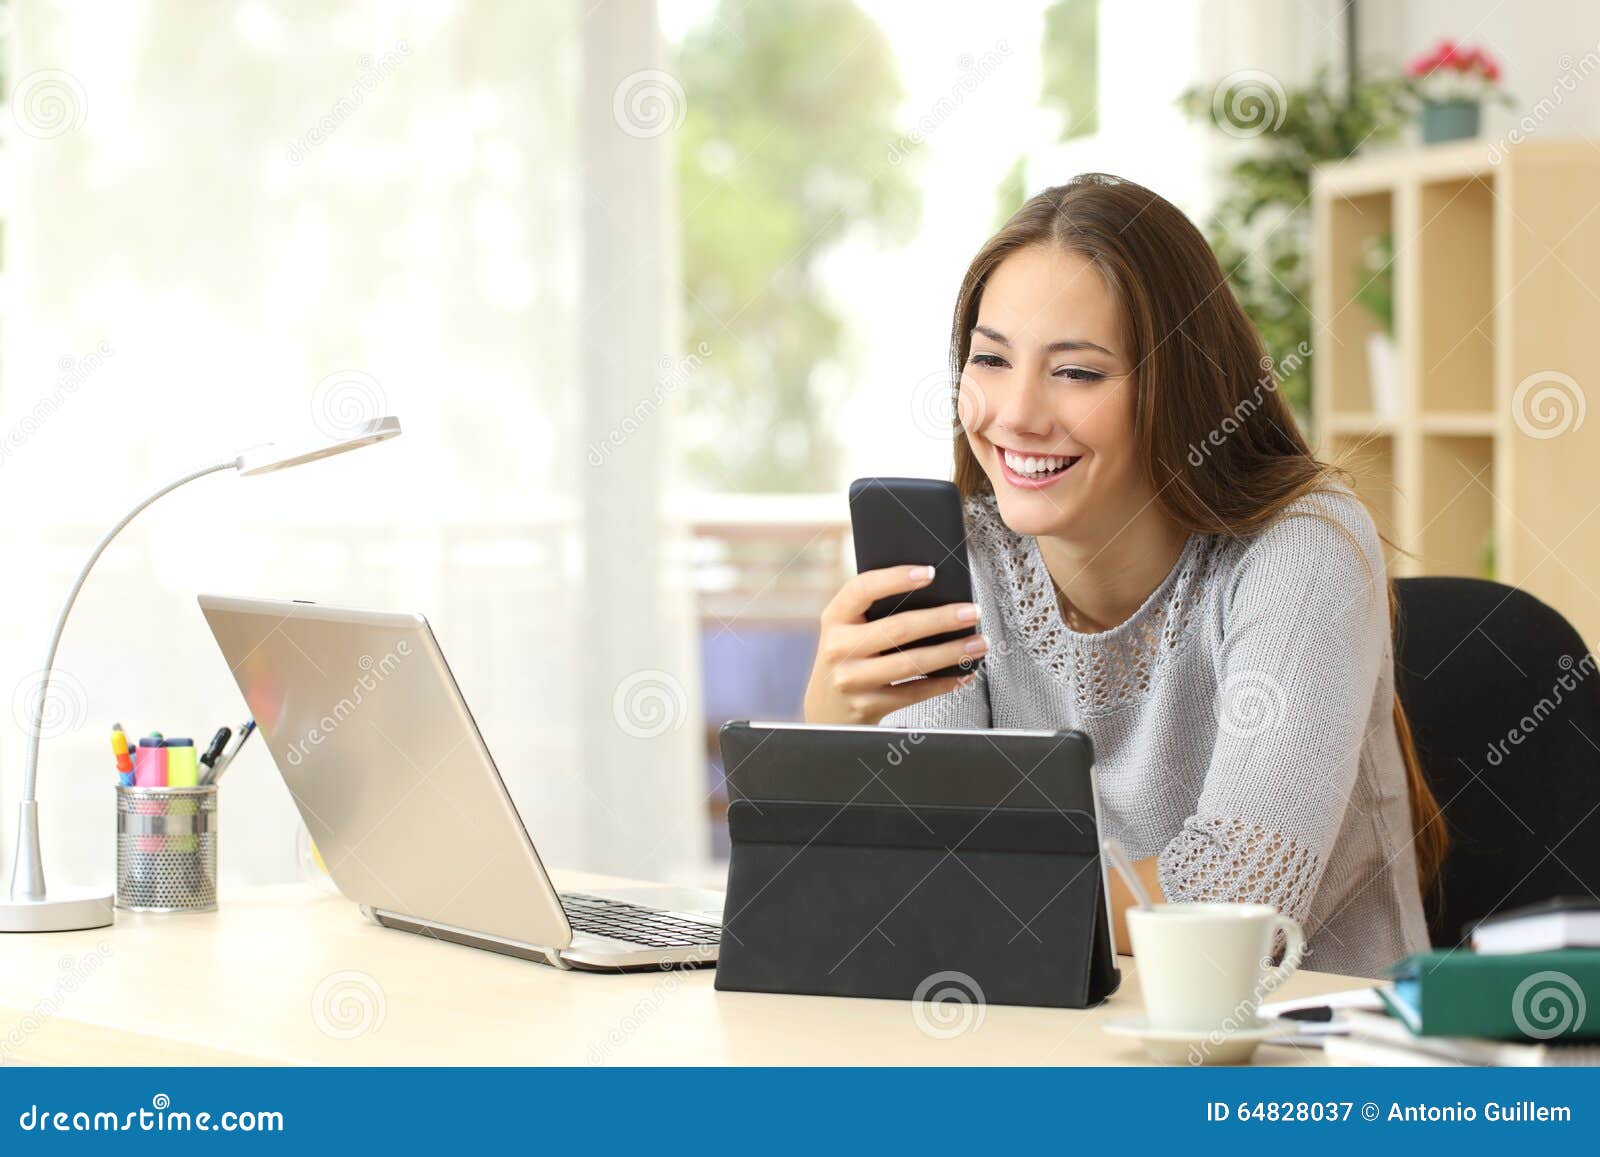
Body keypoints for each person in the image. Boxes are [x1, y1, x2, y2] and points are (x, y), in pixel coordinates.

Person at [802, 174, 1441, 977]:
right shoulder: (965, 555)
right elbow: (922, 849)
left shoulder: (1302, 547)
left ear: (1181, 384)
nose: (1017, 412)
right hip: (1045, 1047)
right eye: (991, 358)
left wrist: (968, 890)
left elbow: (1242, 899)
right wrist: (831, 723)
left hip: (1300, 1057)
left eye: (1077, 372)